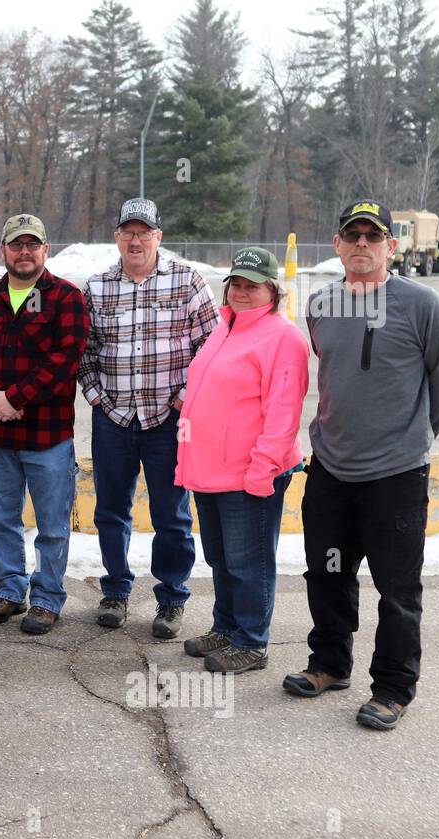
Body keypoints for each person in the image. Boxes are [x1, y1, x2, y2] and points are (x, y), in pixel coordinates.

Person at [284, 200, 439, 730]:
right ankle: (329, 665)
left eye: (373, 235)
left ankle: (392, 687)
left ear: (390, 245)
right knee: (328, 573)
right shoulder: (320, 305)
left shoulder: (421, 304)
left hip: (397, 477)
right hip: (332, 470)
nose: (362, 243)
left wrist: (414, 440)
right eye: (352, 234)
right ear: (337, 245)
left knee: (397, 587)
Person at [78, 197, 218, 639]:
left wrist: (183, 398)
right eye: (128, 232)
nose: (135, 240)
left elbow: (213, 348)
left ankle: (172, 599)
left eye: (145, 232)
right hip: (113, 418)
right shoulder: (97, 287)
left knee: (171, 515)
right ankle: (116, 591)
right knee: (111, 511)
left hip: (168, 421)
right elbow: (84, 351)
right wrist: (96, 397)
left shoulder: (187, 281)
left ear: (159, 237)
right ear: (117, 237)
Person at [175, 247, 310, 674]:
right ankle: (227, 626)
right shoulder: (225, 327)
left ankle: (252, 642)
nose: (242, 292)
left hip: (250, 473)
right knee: (220, 556)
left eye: (253, 285)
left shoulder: (283, 337)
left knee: (249, 561)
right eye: (236, 283)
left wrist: (262, 468)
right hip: (210, 471)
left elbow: (283, 412)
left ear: (273, 290)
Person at [0, 214, 88, 635]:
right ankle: (9, 592)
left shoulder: (66, 298)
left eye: (33, 244)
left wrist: (15, 398)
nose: (25, 251)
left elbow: (64, 361)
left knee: (51, 526)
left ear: (45, 250)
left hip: (48, 436)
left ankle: (47, 599)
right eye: (17, 244)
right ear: (4, 251)